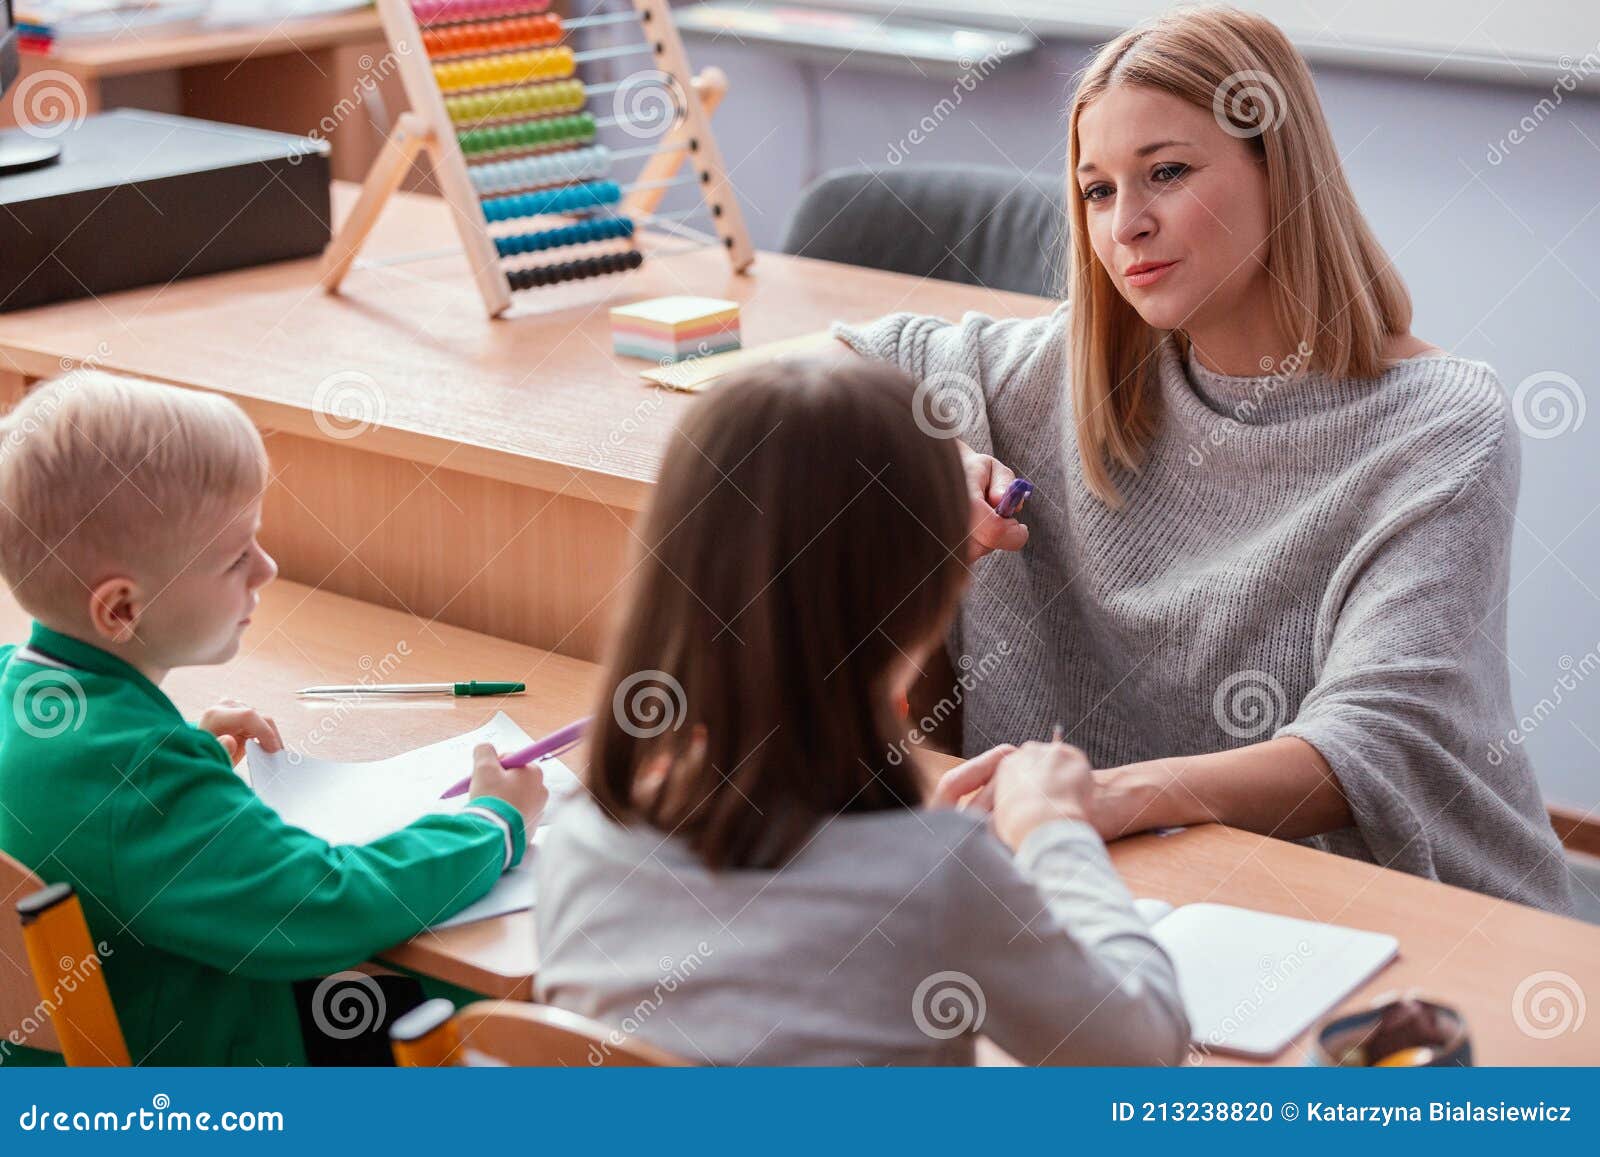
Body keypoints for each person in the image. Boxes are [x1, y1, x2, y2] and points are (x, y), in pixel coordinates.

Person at [830, 5, 1571, 912]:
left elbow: (1374, 742)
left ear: (1279, 170)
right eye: (1097, 191)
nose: (1125, 226)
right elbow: (800, 383)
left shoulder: (1442, 423)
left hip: (1398, 907)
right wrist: (927, 455)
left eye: (1166, 173)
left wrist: (1107, 796)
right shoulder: (1060, 371)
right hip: (1127, 883)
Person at [534, 360, 1189, 1066]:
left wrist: (905, 836)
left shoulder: (578, 836)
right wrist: (1055, 832)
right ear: (920, 605)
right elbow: (1143, 1045)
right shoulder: (939, 886)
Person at [0, 374, 547, 1065]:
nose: (268, 567)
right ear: (119, 610)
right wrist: (491, 825)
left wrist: (189, 754)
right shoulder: (138, 779)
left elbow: (90, 815)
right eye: (236, 558)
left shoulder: (23, 697)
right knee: (480, 1013)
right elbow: (324, 903)